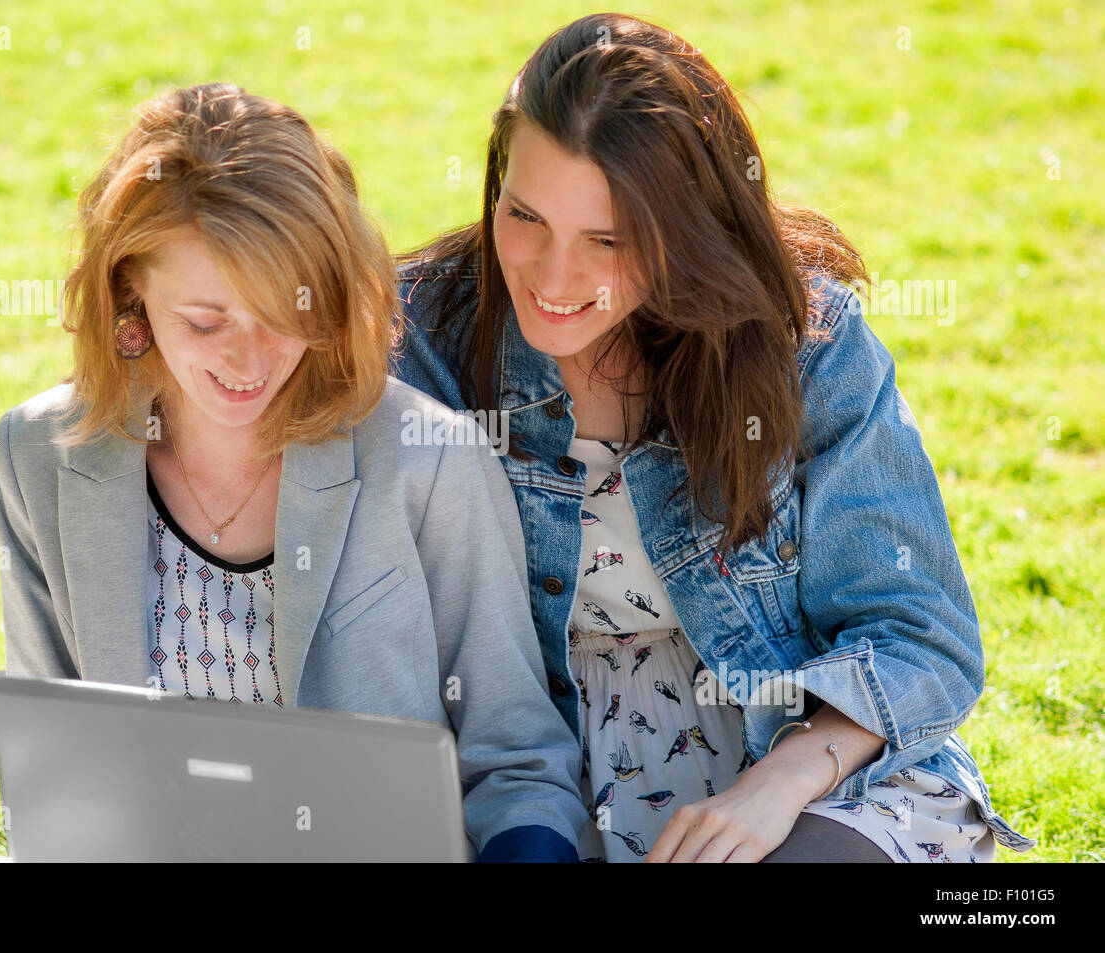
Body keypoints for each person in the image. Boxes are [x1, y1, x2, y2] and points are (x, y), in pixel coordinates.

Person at [393, 14, 1035, 862]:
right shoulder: (427, 336)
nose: (551, 277)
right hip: (535, 761)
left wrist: (785, 778)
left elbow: (922, 634)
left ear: (684, 232)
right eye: (526, 215)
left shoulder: (806, 340)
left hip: (804, 745)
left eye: (608, 240)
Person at [0, 83, 587, 861]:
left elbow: (518, 760)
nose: (248, 363)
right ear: (129, 287)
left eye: (285, 316)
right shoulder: (39, 453)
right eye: (205, 321)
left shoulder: (428, 459)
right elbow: (55, 769)